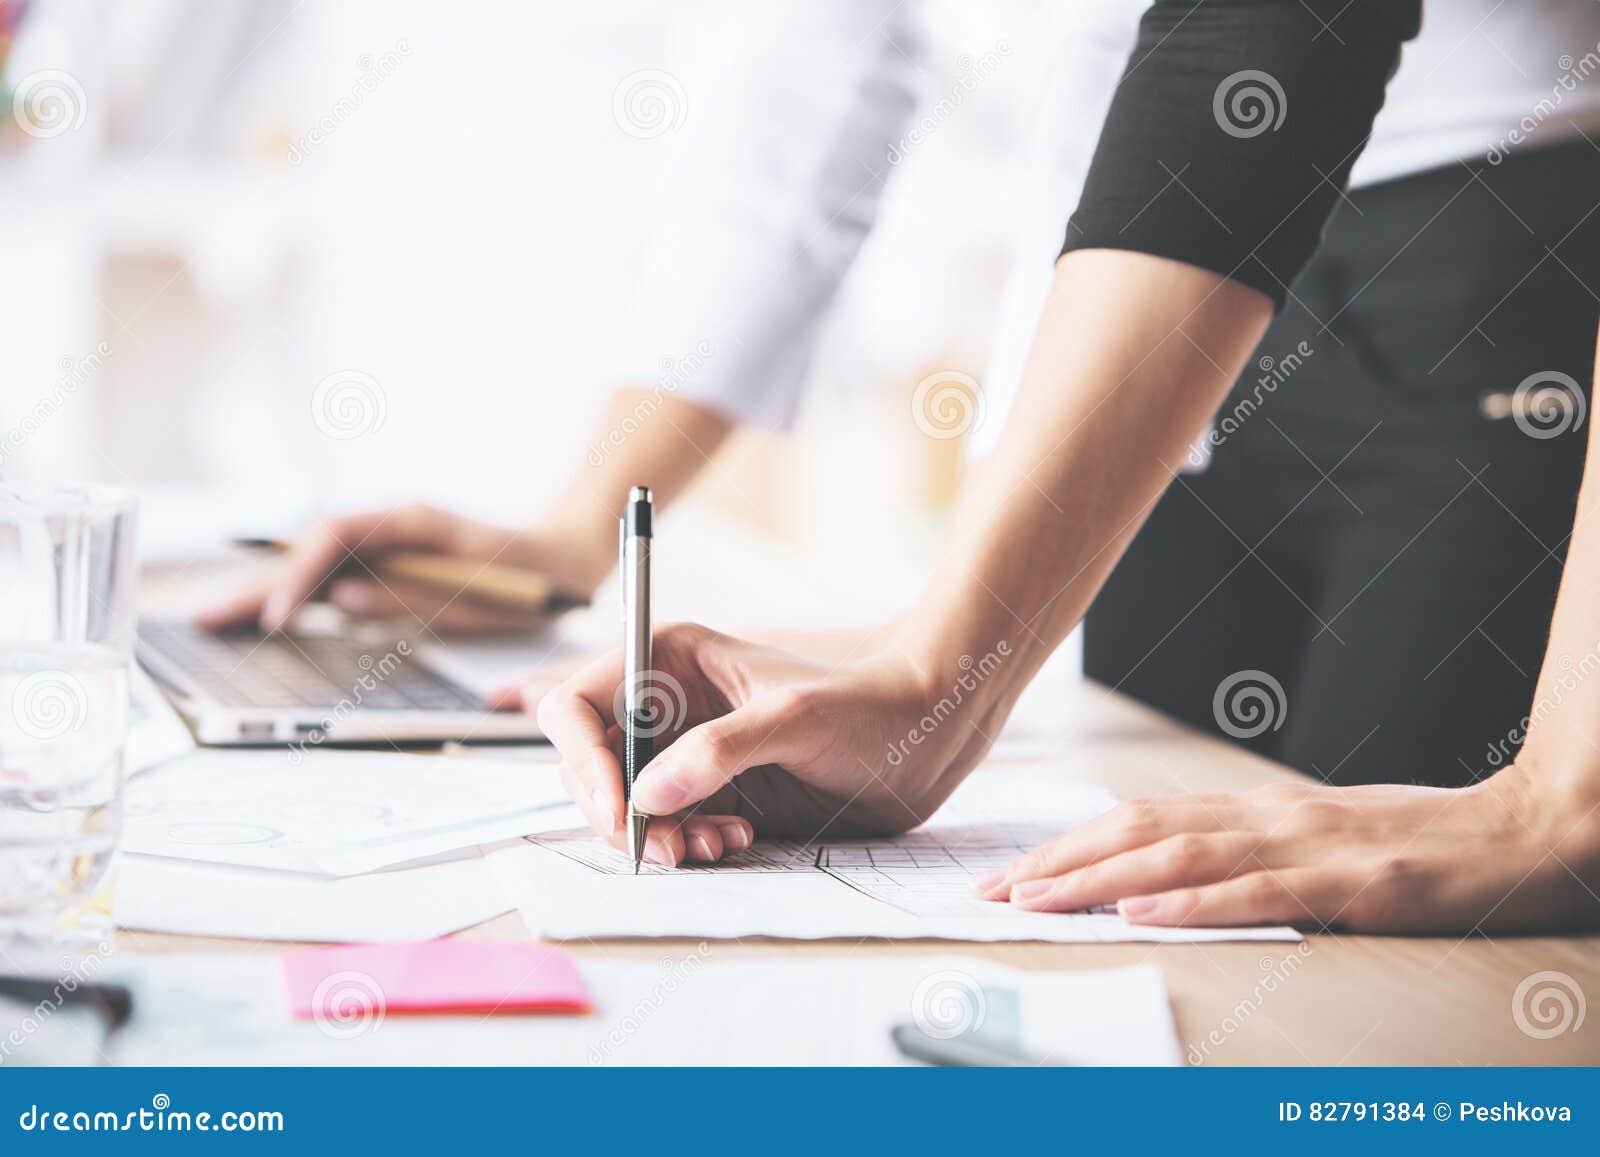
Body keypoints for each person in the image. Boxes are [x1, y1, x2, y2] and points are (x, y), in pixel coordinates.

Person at [213, 1, 1600, 929]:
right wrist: (585, 521)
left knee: (1419, 956)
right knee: (1177, 919)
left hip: (1507, 268)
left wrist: (1564, 797)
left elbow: (1276, 28)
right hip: (1172, 294)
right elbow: (816, 56)